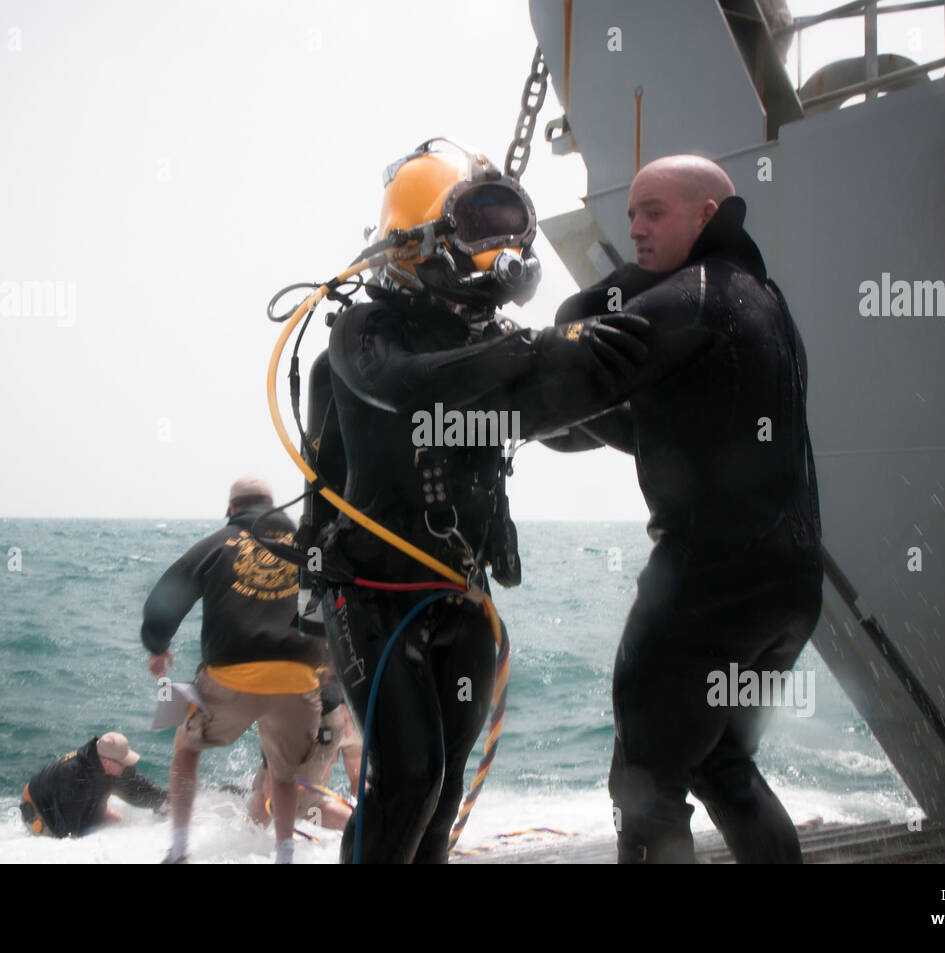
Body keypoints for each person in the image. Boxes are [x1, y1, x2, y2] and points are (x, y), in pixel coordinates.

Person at [315, 139, 650, 863]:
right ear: (423, 238)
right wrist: (539, 349)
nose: (502, 245)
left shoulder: (490, 344)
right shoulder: (363, 333)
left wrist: (664, 402)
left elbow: (563, 426)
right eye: (479, 224)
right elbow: (410, 385)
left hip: (461, 595)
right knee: (410, 775)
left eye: (511, 225)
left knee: (443, 786)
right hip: (369, 593)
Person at [545, 155, 824, 863]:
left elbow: (559, 375)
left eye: (654, 212)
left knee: (646, 782)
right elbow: (666, 435)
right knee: (721, 762)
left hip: (707, 590)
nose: (634, 228)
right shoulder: (765, 301)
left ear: (708, 215)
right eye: (632, 213)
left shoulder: (689, 298)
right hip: (789, 589)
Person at [142, 475, 325, 864]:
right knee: (284, 772)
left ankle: (178, 850)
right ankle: (285, 856)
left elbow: (164, 598)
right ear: (274, 507)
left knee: (186, 748)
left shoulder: (218, 544)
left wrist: (157, 647)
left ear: (232, 510)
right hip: (300, 680)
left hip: (231, 678)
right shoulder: (309, 547)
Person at [246, 668, 363, 831]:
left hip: (321, 719)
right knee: (264, 791)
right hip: (341, 709)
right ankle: (247, 846)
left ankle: (369, 832)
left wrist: (269, 764)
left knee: (304, 805)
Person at [20, 732, 167, 838]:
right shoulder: (73, 775)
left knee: (118, 822)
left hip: (80, 799)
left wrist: (167, 801)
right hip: (44, 812)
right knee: (73, 837)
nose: (126, 766)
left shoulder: (113, 765)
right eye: (123, 762)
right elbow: (66, 835)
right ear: (106, 762)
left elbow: (138, 789)